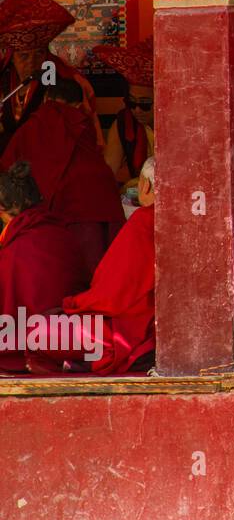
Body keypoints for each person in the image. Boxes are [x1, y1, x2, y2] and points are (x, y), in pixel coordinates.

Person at [27, 157, 157, 374]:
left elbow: (111, 297)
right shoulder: (179, 221)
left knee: (37, 331)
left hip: (128, 332)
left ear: (145, 185)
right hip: (151, 328)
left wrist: (75, 304)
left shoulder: (144, 220)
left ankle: (91, 360)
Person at [0, 76, 124, 283]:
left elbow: (6, 166)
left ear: (46, 98)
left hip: (54, 210)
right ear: (77, 104)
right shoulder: (81, 123)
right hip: (96, 202)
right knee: (94, 271)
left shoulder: (34, 125)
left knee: (58, 273)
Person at [0, 161, 87, 372]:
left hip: (30, 343)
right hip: (72, 337)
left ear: (2, 210)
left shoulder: (15, 249)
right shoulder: (62, 234)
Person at [0, 0, 97, 154]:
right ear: (12, 58)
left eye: (38, 54)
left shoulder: (62, 80)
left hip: (47, 160)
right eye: (24, 56)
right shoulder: (3, 79)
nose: (32, 62)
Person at [94, 38, 154, 187]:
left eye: (145, 104)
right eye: (132, 102)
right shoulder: (124, 123)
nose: (137, 110)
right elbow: (108, 172)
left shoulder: (179, 124)